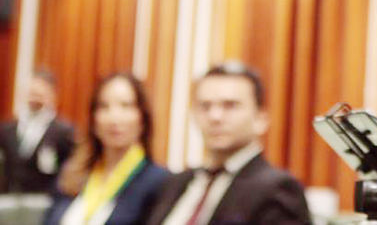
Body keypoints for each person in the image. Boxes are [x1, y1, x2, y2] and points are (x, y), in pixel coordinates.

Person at [144, 61, 311, 225]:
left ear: (260, 119)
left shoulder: (278, 188)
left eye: (230, 106)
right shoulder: (174, 183)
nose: (215, 116)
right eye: (205, 106)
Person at [44, 72, 170, 224]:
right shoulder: (72, 174)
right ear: (93, 119)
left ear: (143, 119)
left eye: (126, 106)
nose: (114, 117)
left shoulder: (159, 182)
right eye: (104, 106)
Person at [0, 69, 75, 194]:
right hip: (9, 200)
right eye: (32, 93)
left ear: (52, 95)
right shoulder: (7, 129)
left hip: (45, 201)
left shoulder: (64, 132)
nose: (34, 99)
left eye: (40, 95)